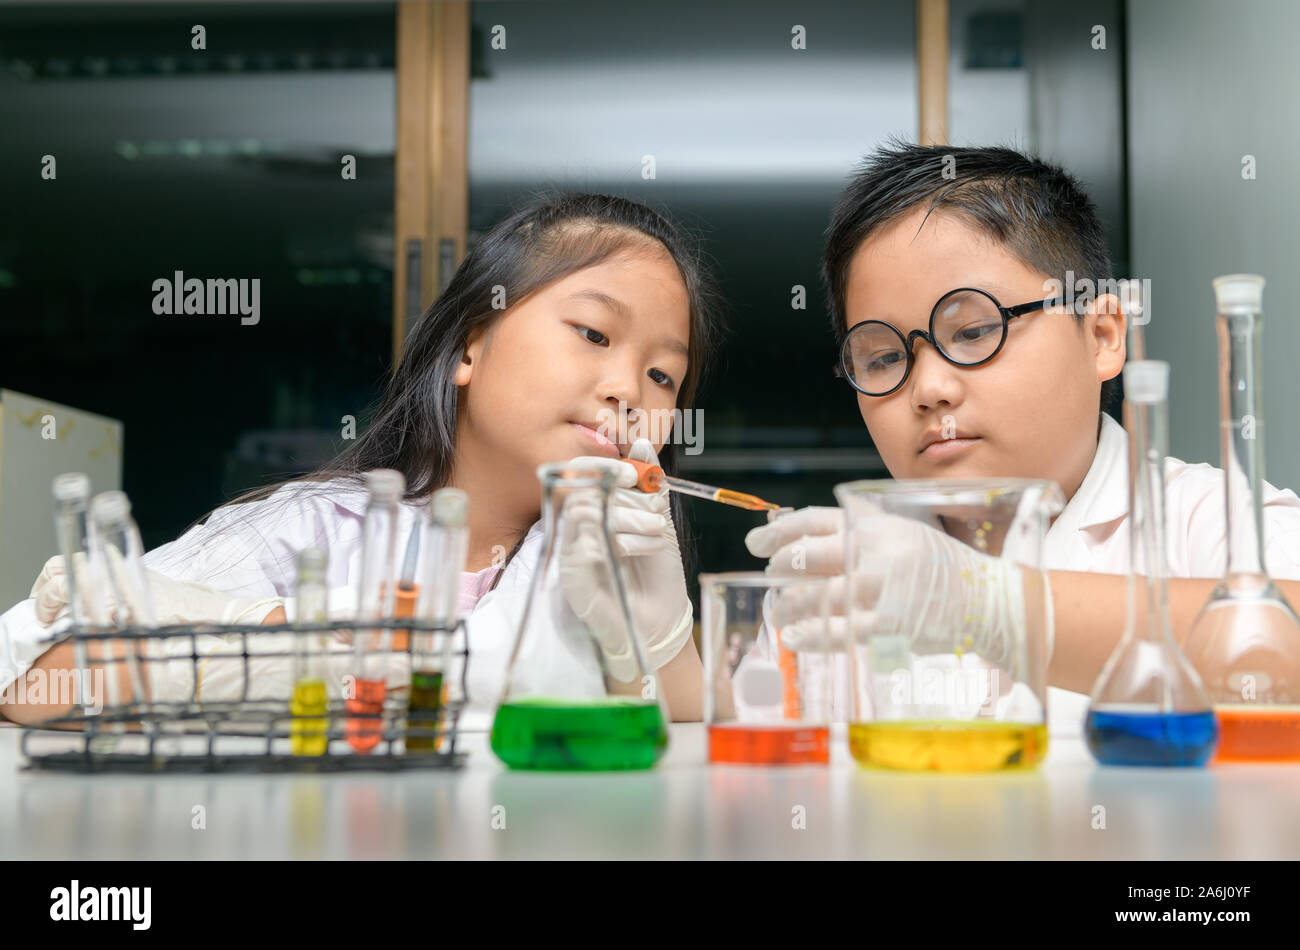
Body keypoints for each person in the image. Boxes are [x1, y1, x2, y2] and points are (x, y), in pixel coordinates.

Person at [1, 192, 721, 728]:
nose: (628, 388)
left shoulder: (616, 572)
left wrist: (659, 635)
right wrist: (301, 639)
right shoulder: (313, 532)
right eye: (594, 333)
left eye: (664, 376)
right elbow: (28, 681)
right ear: (471, 344)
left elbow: (690, 747)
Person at [746, 142, 1300, 727]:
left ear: (1103, 334)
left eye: (975, 330)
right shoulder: (838, 576)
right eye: (882, 358)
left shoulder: (1215, 520)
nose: (929, 388)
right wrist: (658, 649)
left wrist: (986, 604)